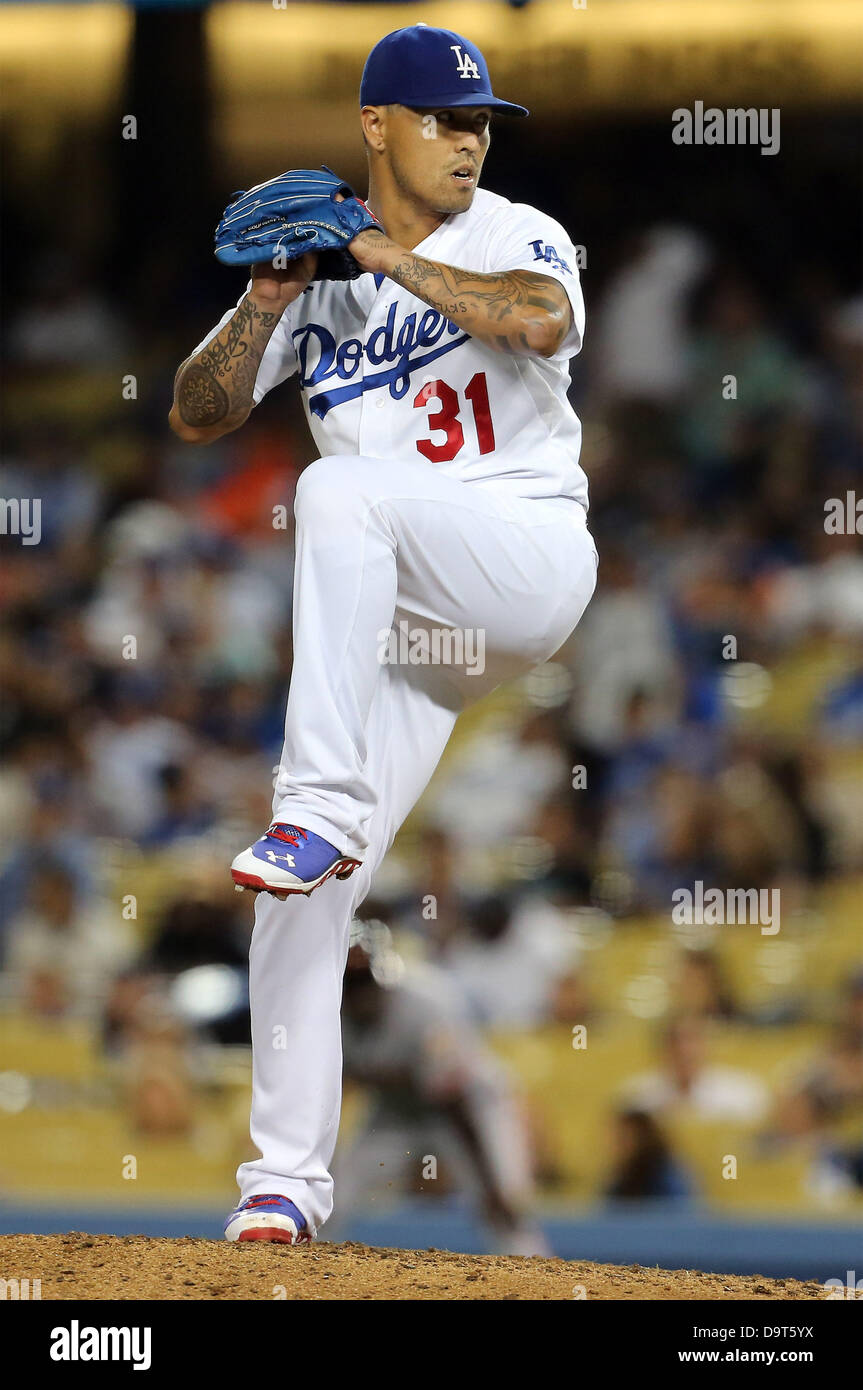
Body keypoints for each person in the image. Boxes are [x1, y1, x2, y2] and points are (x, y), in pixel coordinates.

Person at [170, 24, 598, 1245]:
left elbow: (534, 320)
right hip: (412, 631)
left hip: (519, 557)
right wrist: (267, 300)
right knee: (301, 896)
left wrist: (371, 252)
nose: (468, 141)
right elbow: (195, 409)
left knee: (337, 490)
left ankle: (316, 803)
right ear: (375, 125)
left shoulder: (512, 230)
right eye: (442, 119)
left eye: (479, 123)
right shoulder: (319, 282)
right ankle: (281, 1187)